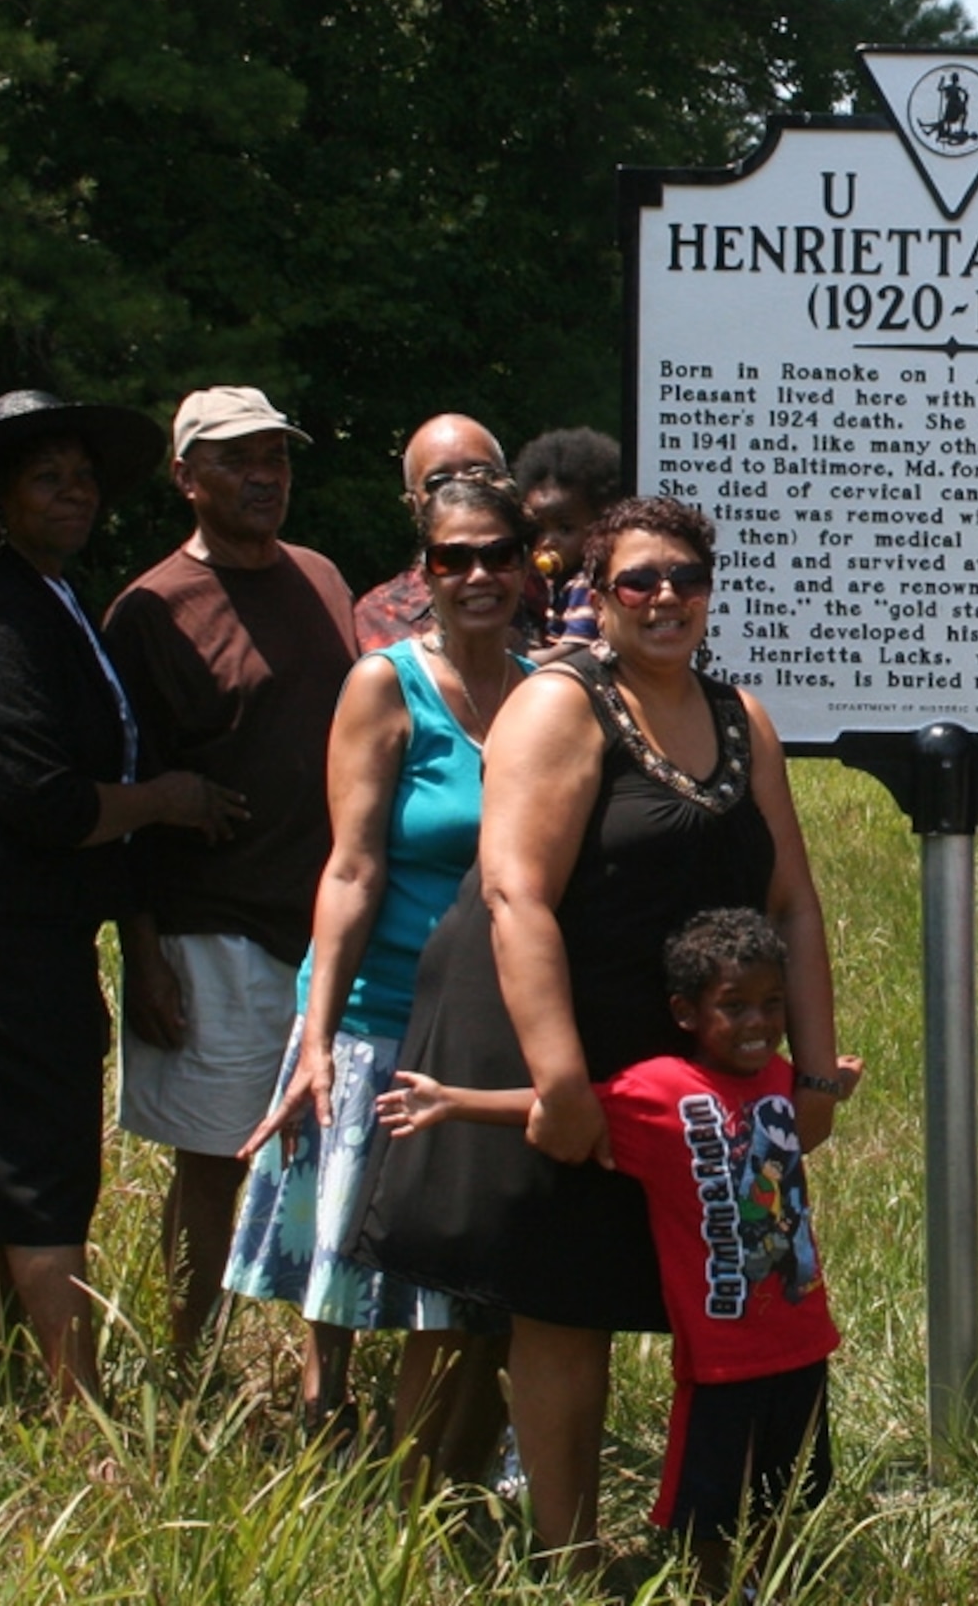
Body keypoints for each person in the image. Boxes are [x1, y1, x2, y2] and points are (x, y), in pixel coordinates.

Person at [353, 496, 844, 1565]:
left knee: (680, 1286)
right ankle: (565, 1557)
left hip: (669, 1051)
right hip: (536, 1026)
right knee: (558, 1300)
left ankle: (704, 1540)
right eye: (638, 579)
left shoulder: (742, 717)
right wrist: (561, 1084)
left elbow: (793, 904)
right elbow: (514, 894)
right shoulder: (559, 703)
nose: (665, 597)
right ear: (596, 594)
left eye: (686, 577)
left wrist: (810, 1073)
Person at [0, 390, 241, 1399]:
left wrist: (137, 938)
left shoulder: (58, 599)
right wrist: (166, 799)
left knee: (7, 1153)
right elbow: (47, 804)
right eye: (48, 479)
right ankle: (81, 1416)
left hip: (37, 923)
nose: (74, 494)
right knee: (28, 1164)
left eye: (83, 477)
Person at [378, 909, 860, 1592]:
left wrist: (834, 1078)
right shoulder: (660, 1090)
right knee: (709, 1512)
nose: (757, 1022)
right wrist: (453, 1101)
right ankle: (709, 1591)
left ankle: (772, 1587)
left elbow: (814, 1092)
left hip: (804, 1341)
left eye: (772, 1003)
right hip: (721, 1357)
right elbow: (563, 1106)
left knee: (787, 1493)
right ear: (685, 1013)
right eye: (734, 1006)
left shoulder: (782, 1078)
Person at [219, 475, 532, 1470]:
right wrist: (316, 1039)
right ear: (423, 571)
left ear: (526, 565)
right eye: (453, 558)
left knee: (448, 1263)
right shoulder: (383, 685)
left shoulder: (544, 693)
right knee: (341, 1240)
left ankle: (437, 1456)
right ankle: (327, 1422)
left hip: (481, 1023)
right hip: (376, 1009)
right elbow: (352, 868)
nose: (477, 576)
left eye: (497, 555)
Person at [104, 383, 356, 1362]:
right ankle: (186, 1365)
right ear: (185, 477)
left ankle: (325, 1380)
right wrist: (143, 953)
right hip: (211, 930)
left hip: (330, 928)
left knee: (334, 1160)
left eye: (275, 457)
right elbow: (125, 794)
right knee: (215, 1163)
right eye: (237, 459)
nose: (264, 476)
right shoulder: (151, 610)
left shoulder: (322, 579)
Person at [352, 415, 508, 653]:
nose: (462, 490)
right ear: (413, 507)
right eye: (439, 482)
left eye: (481, 475)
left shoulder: (553, 595)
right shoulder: (381, 615)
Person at [512, 427, 628, 653]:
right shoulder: (556, 583)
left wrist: (519, 663)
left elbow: (574, 650)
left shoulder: (586, 584)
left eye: (565, 529)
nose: (548, 541)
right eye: (538, 529)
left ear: (601, 523)